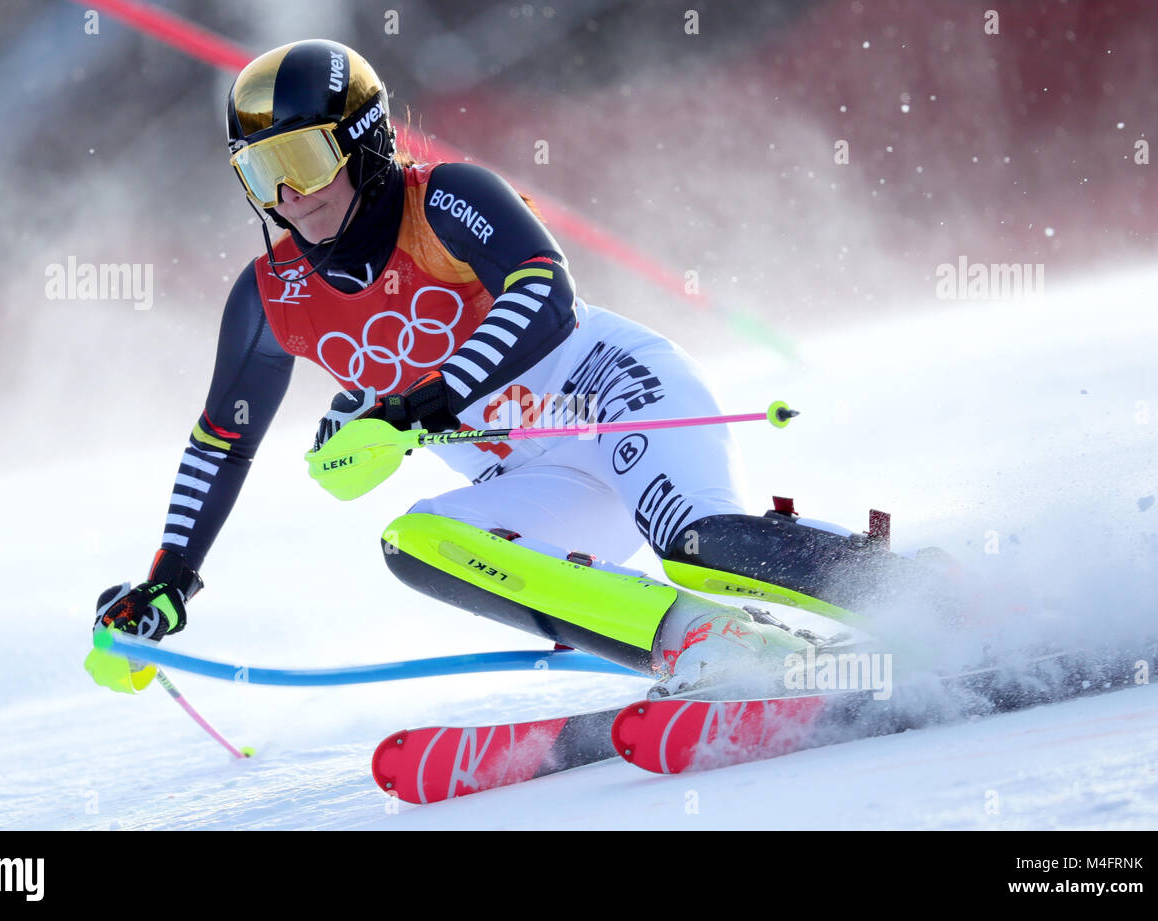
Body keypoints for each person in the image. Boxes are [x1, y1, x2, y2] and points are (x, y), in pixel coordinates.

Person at [87, 39, 936, 699]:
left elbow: (545, 295)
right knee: (417, 540)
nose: (288, 197)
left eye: (303, 162)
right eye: (259, 171)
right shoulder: (271, 294)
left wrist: (420, 405)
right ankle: (714, 642)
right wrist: (167, 583)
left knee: (691, 542)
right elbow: (221, 445)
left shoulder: (445, 195)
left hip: (617, 400)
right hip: (533, 474)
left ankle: (929, 600)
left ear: (365, 143)